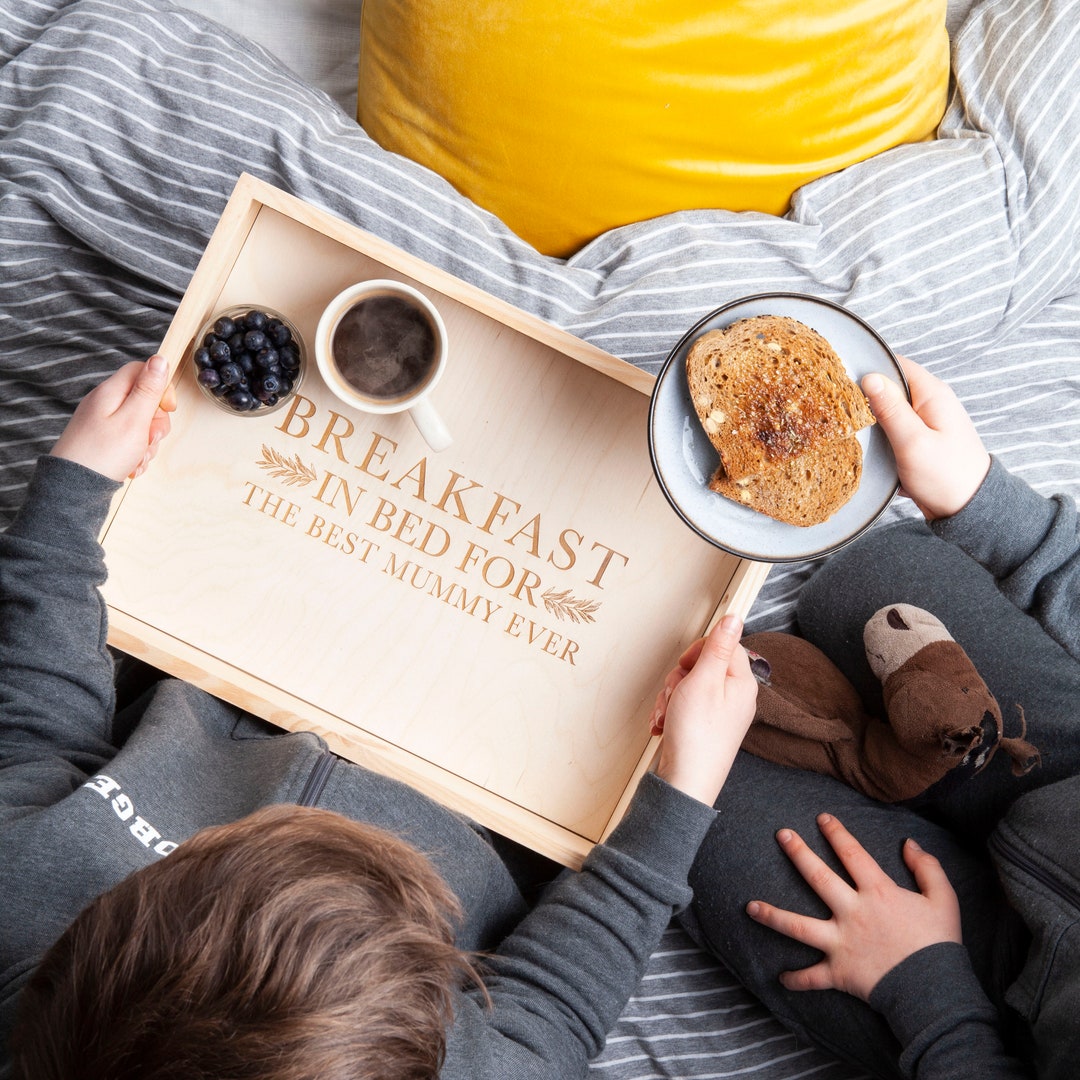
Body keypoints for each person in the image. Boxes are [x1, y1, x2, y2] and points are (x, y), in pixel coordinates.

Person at [0, 357, 761, 1078]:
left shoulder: (23, 916)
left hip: (245, 633)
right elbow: (554, 1012)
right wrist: (685, 790)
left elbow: (36, 727)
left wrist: (73, 489)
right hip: (508, 765)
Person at [672, 356, 1080, 1078]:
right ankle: (898, 763)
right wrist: (990, 508)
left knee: (688, 783)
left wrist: (929, 993)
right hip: (1065, 786)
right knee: (863, 582)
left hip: (995, 1001)